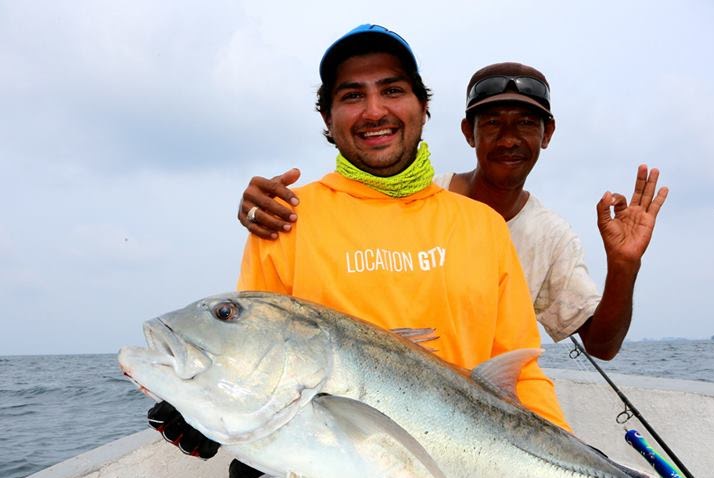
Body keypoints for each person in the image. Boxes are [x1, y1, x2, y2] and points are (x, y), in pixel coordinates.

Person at [150, 24, 576, 478]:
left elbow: (521, 371)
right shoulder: (285, 217)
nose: (375, 111)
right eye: (352, 95)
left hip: (459, 467)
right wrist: (207, 405)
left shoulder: (482, 225)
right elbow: (255, 354)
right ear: (328, 120)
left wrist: (566, 456)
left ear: (423, 107)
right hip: (312, 470)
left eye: (392, 90)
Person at [238, 63, 667, 362]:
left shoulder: (550, 236)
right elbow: (342, 217)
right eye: (492, 123)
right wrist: (265, 206)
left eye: (525, 124)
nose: (509, 138)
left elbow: (601, 344)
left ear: (547, 134)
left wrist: (624, 265)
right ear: (468, 132)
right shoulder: (417, 196)